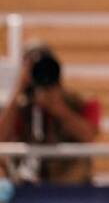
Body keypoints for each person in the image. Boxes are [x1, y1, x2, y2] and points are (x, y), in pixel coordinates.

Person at [0, 44, 100, 184]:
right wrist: (18, 89)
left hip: (71, 187)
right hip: (25, 187)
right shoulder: (19, 106)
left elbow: (88, 136)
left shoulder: (81, 102)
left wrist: (57, 108)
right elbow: (1, 138)